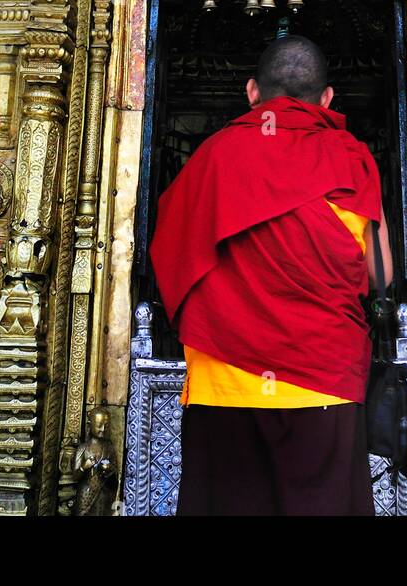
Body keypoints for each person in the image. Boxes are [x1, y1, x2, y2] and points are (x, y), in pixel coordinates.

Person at [150, 35, 393, 517]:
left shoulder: (211, 159)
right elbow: (378, 269)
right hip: (323, 378)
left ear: (251, 92)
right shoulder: (349, 157)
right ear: (326, 99)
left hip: (224, 384)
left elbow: (169, 254)